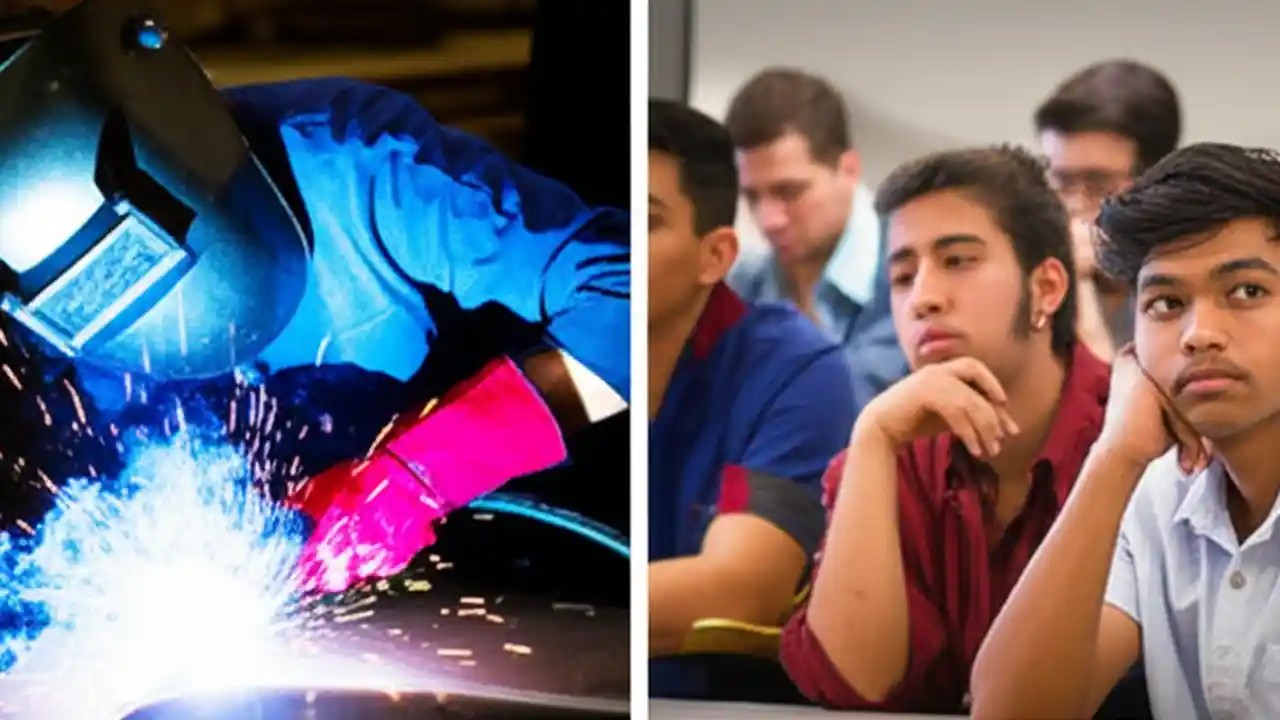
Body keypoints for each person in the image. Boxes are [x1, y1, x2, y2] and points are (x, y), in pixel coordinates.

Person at [0, 0, 629, 592]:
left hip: (516, 558)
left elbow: (633, 297)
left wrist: (424, 473)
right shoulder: (27, 308)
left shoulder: (363, 165)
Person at [779, 145, 1109, 713]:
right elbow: (858, 685)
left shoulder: (1133, 435)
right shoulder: (890, 452)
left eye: (958, 260)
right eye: (903, 276)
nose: (924, 299)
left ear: (1048, 289)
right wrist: (874, 438)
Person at [970, 144, 1280, 719]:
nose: (1198, 334)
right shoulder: (1160, 493)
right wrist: (1114, 455)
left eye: (1247, 292)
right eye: (1166, 302)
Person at [647, 98, 855, 701]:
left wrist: (562, 607)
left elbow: (740, 591)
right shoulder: (570, 352)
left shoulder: (793, 370)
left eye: (647, 220)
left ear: (715, 255)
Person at [724, 67, 907, 408]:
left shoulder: (918, 273)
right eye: (752, 196)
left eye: (789, 191)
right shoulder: (742, 285)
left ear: (848, 170)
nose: (769, 220)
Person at [1035, 60, 1182, 360]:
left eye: (1098, 182)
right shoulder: (1029, 283)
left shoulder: (1192, 283)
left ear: (1157, 178)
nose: (1073, 204)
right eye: (1060, 181)